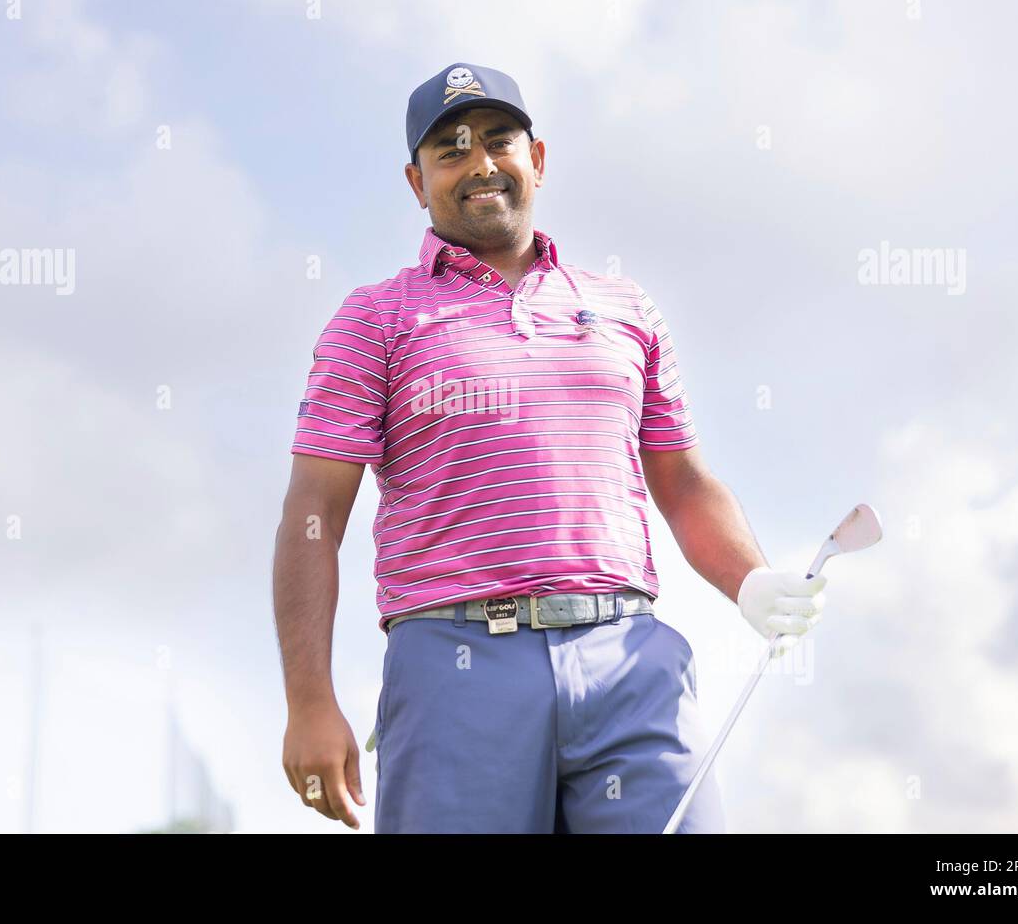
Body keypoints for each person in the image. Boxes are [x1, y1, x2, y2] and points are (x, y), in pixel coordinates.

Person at [274, 62, 827, 833]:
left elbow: (684, 483)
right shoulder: (375, 319)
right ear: (415, 179)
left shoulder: (625, 308)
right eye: (452, 149)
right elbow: (313, 515)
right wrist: (309, 699)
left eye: (499, 140)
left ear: (536, 158)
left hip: (629, 654)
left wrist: (752, 581)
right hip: (453, 661)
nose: (480, 164)